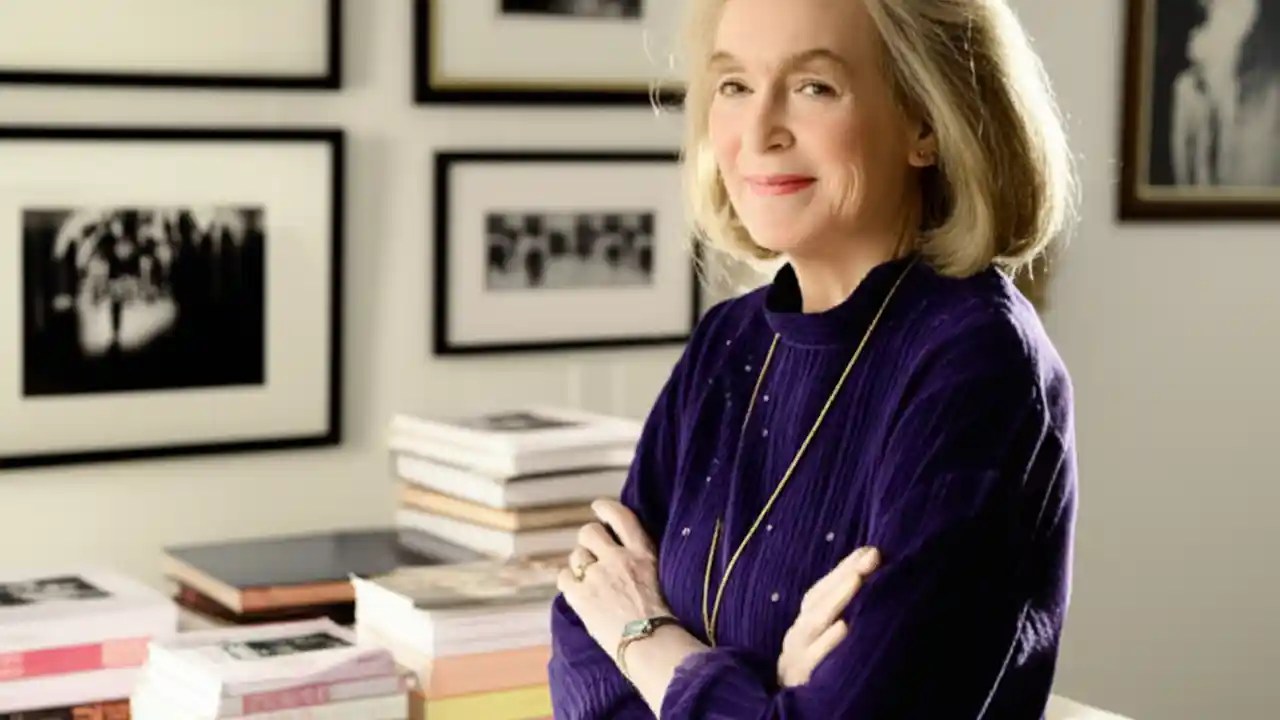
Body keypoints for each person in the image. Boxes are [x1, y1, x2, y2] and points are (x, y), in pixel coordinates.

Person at [547, 0, 1078, 717]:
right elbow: (583, 632)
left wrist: (642, 635)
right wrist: (767, 691)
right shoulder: (728, 342)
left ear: (927, 122)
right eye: (735, 85)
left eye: (813, 87)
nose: (758, 131)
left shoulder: (979, 365)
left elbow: (620, 626)